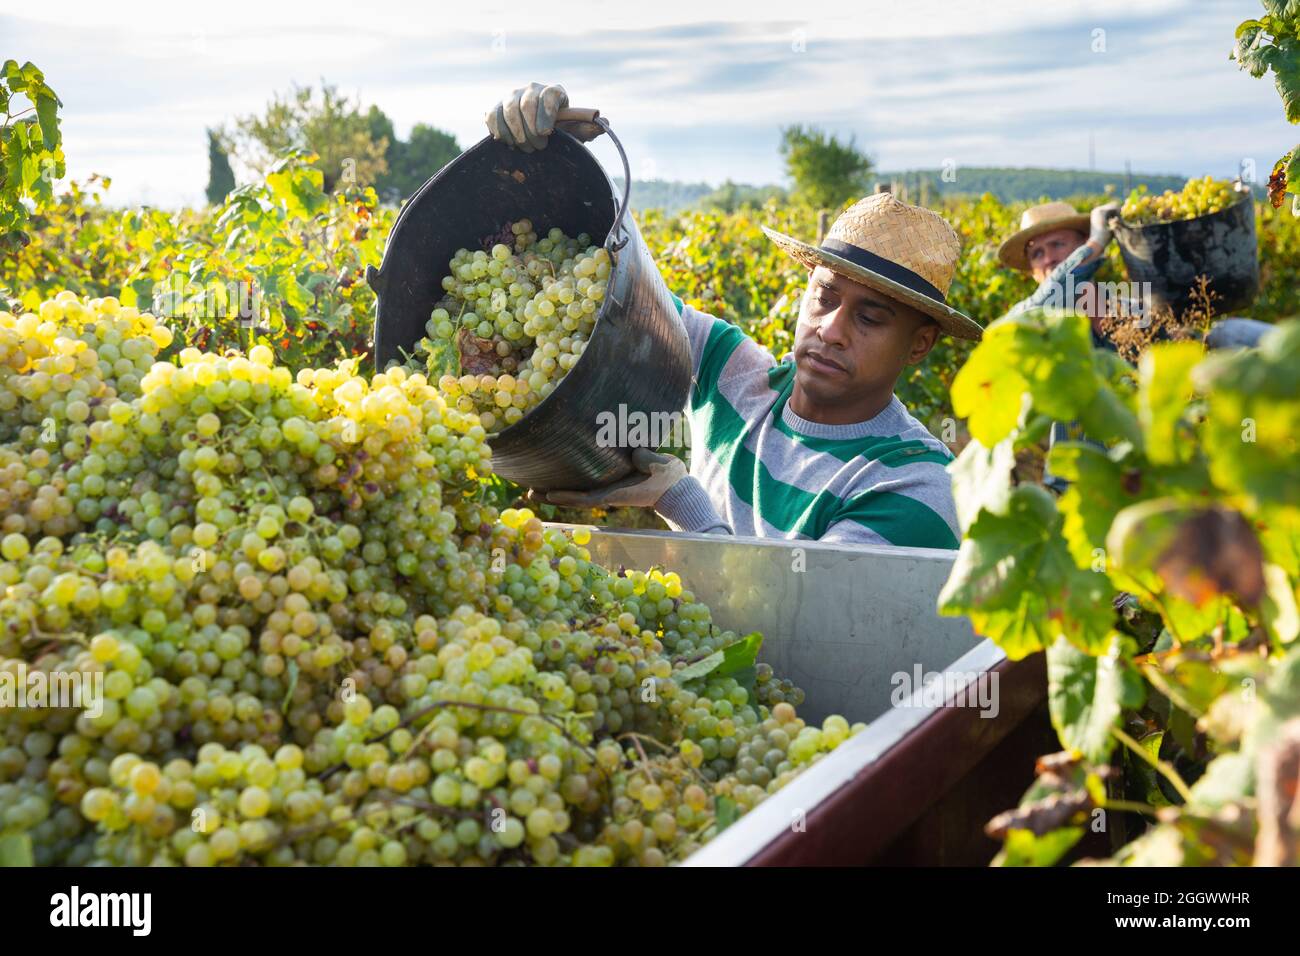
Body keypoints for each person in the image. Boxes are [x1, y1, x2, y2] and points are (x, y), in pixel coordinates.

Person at [485, 83, 984, 550]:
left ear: (919, 345)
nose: (831, 331)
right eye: (826, 298)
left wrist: (675, 498)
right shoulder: (735, 374)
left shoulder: (915, 487)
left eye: (870, 319)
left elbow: (786, 628)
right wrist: (562, 165)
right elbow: (617, 301)